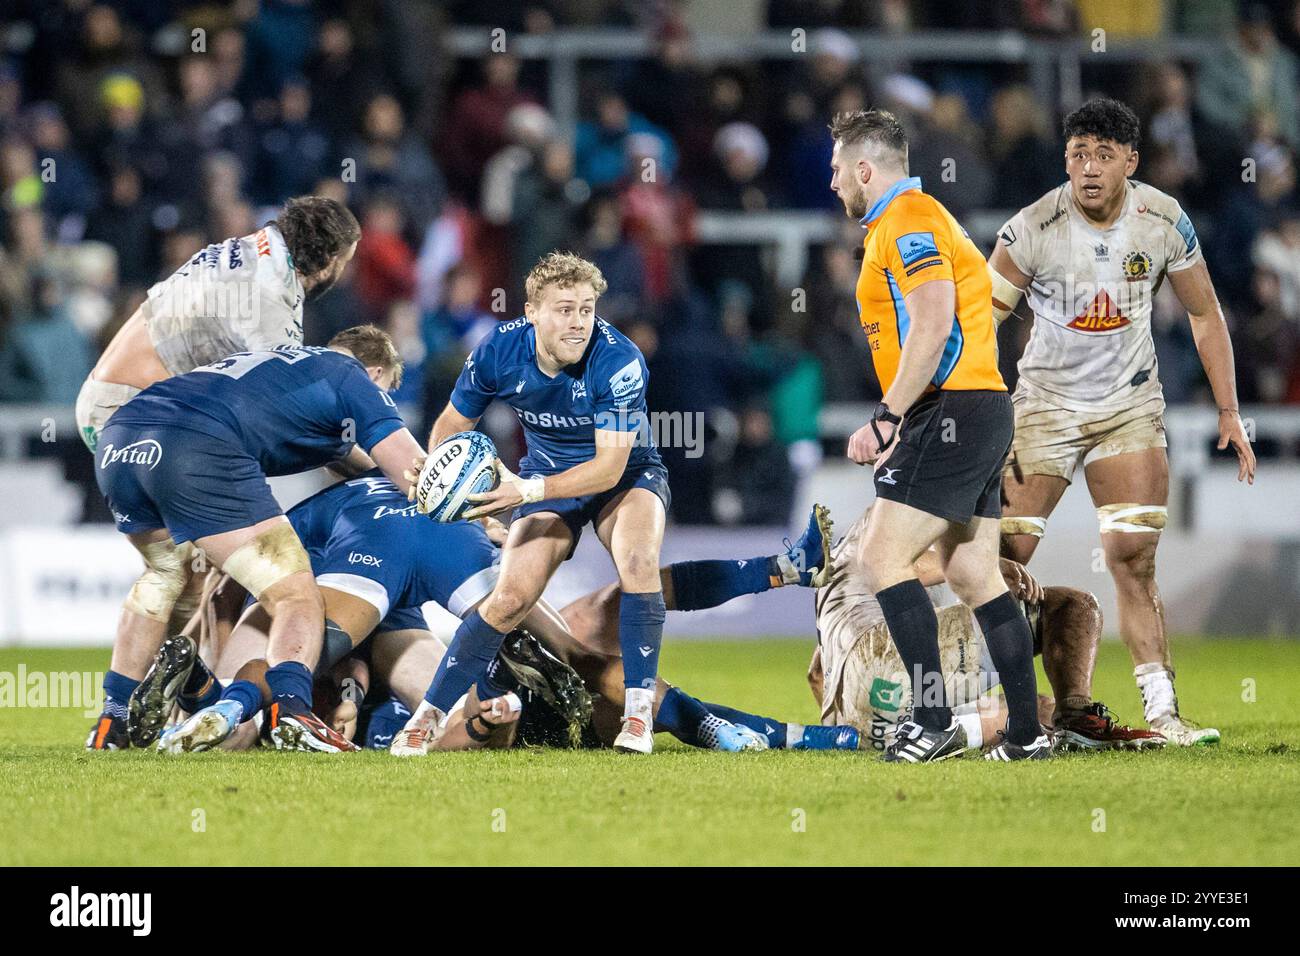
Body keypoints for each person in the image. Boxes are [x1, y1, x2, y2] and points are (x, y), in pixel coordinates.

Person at [988, 98, 1256, 745]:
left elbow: (1204, 314)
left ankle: (1163, 714)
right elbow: (979, 319)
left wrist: (1228, 409)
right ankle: (999, 709)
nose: (1088, 167)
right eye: (1078, 153)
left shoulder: (1163, 222)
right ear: (1065, 159)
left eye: (1103, 155)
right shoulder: (1032, 228)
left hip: (1127, 409)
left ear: (1130, 162)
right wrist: (963, 408)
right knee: (999, 558)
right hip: (1044, 408)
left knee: (1132, 561)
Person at [89, 326, 425, 753]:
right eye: (388, 393)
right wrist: (484, 507)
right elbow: (415, 474)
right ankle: (293, 713)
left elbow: (349, 458)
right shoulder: (353, 378)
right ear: (376, 374)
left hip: (122, 439)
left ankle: (112, 722)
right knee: (295, 595)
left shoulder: (286, 367)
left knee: (163, 574)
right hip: (195, 445)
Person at [830, 108, 1048, 761]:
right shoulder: (911, 221)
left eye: (838, 170)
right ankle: (1026, 736)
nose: (834, 182)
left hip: (950, 408)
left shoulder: (910, 219)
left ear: (866, 169)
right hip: (976, 405)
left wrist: (889, 415)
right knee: (973, 572)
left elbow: (931, 320)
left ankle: (930, 722)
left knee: (880, 559)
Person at [399, 252, 672, 755]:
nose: (579, 323)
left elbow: (608, 469)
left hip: (627, 476)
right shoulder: (498, 351)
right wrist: (434, 467)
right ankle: (429, 716)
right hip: (545, 477)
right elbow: (454, 424)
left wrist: (524, 491)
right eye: (564, 309)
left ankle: (637, 716)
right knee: (508, 599)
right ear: (531, 313)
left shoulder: (619, 361)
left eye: (587, 309)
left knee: (638, 562)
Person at [809, 507, 1166, 754]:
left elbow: (816, 675)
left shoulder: (844, 555)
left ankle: (1016, 727)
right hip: (881, 655)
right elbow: (903, 562)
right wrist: (988, 568)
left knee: (1037, 709)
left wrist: (872, 713)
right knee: (1072, 606)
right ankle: (1077, 718)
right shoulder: (907, 505)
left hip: (861, 720)